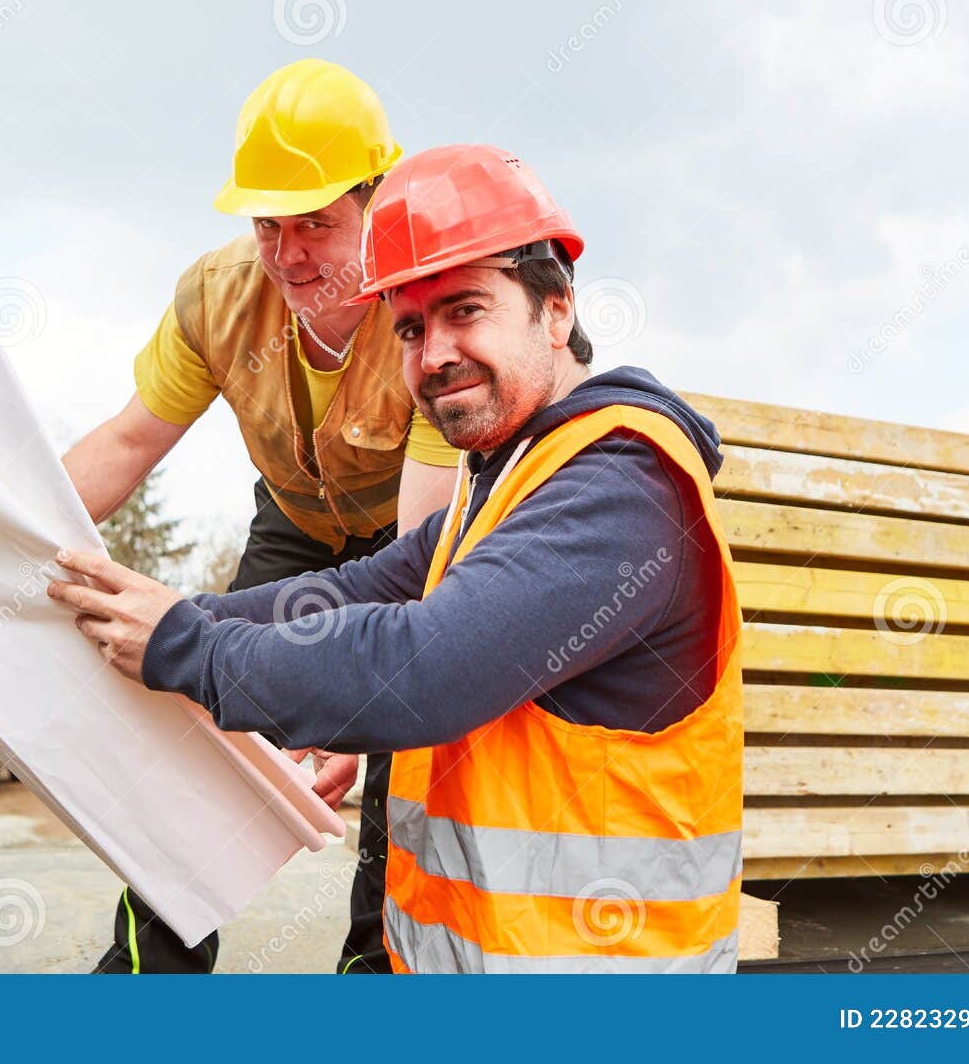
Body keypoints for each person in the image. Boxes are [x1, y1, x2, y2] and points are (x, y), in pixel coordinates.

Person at [51, 144, 744, 973]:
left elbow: (423, 666)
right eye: (411, 328)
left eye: (465, 310)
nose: (434, 353)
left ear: (556, 310)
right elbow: (353, 589)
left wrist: (180, 647)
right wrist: (162, 613)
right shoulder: (507, 483)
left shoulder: (618, 488)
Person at [61, 59, 459, 974]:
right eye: (269, 224)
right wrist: (5, 530)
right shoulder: (216, 295)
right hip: (293, 524)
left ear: (378, 199)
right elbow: (125, 445)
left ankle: (377, 968)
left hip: (408, 532)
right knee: (206, 709)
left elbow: (416, 557)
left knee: (409, 731)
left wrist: (342, 701)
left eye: (318, 223)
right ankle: (150, 974)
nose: (289, 254)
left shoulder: (426, 311)